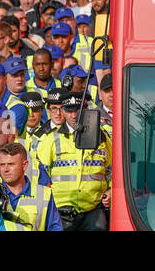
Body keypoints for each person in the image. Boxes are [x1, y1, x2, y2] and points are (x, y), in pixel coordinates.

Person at [34, 92, 110, 230]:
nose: (74, 115)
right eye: (69, 111)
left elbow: (113, 170)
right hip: (61, 211)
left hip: (93, 210)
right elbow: (40, 173)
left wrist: (111, 191)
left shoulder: (102, 138)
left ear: (86, 110)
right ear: (63, 111)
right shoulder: (51, 139)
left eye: (78, 110)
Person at [0, 141, 62, 231]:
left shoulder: (44, 194)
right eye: (2, 165)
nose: (6, 169)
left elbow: (55, 228)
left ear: (25, 165)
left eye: (11, 164)